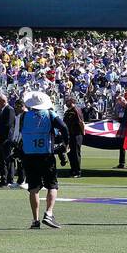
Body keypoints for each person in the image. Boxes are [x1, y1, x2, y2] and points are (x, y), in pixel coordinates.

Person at [20, 90, 69, 229]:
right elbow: (64, 127)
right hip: (46, 154)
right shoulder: (49, 114)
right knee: (52, 185)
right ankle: (49, 213)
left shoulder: (24, 116)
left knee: (33, 188)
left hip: (29, 155)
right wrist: (66, 143)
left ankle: (35, 220)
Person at [63, 98, 85, 178]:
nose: (66, 103)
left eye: (67, 101)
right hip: (70, 135)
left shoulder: (76, 110)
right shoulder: (68, 111)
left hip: (76, 134)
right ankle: (73, 170)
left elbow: (81, 122)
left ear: (72, 102)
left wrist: (83, 132)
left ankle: (77, 171)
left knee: (76, 153)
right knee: (70, 153)